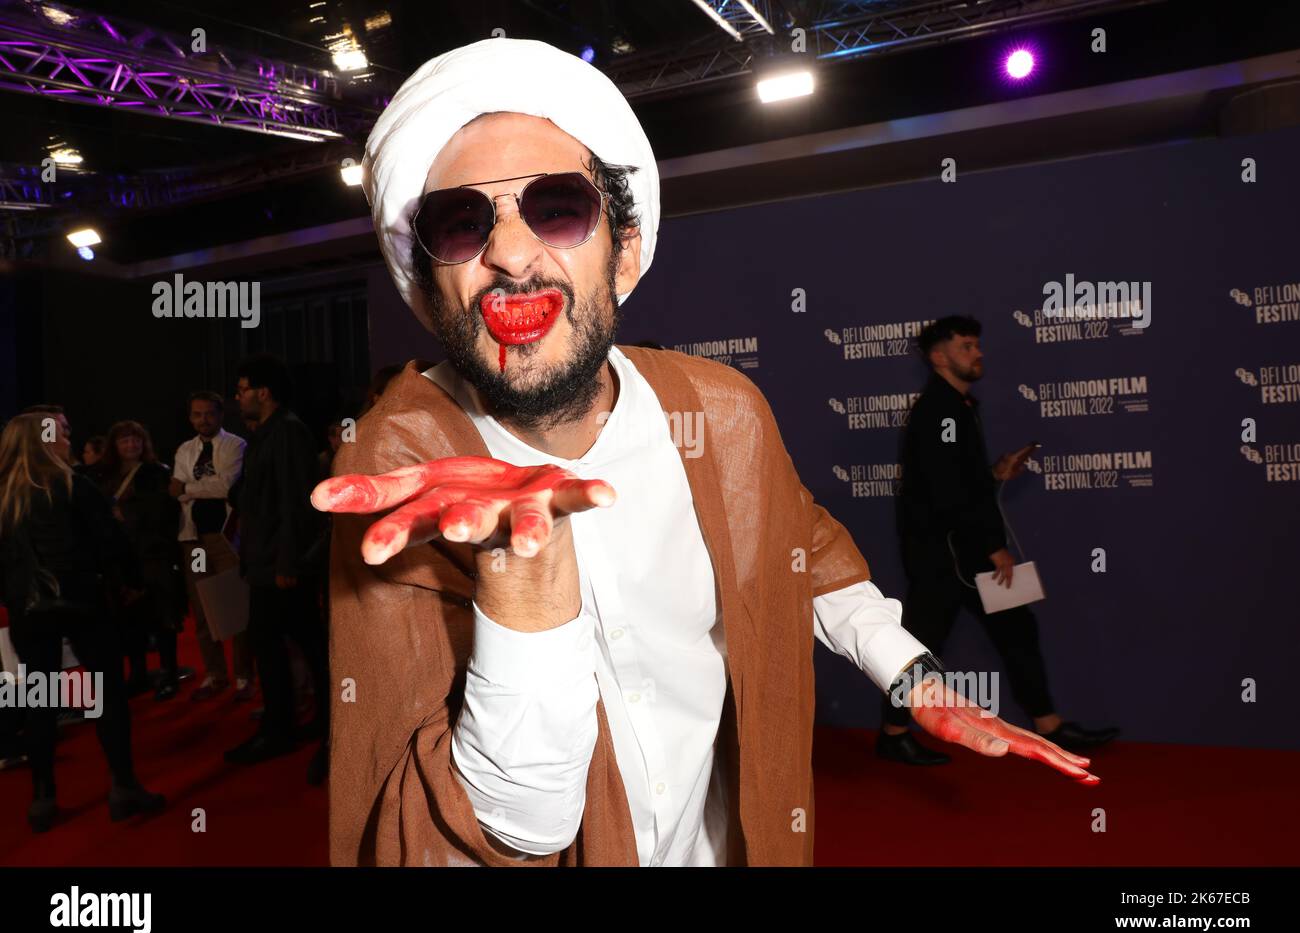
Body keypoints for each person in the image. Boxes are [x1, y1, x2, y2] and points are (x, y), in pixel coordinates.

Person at [314, 38, 1099, 868]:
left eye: (555, 208)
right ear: (432, 293)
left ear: (622, 253)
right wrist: (527, 597)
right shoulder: (396, 465)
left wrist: (910, 674)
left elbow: (802, 549)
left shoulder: (716, 412)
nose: (510, 253)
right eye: (462, 222)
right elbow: (501, 834)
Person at [878, 315, 1120, 765]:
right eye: (965, 346)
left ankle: (1049, 725)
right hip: (949, 557)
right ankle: (893, 734)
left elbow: (960, 484)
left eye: (976, 345)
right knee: (922, 644)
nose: (977, 352)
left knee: (1012, 631)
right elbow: (947, 493)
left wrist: (994, 473)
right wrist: (992, 545)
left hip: (960, 550)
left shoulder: (959, 406)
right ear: (939, 357)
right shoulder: (939, 410)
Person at [0, 411, 165, 832]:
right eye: (63, 431)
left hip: (28, 612)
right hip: (83, 604)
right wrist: (131, 583)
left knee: (39, 701)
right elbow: (112, 543)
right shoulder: (75, 486)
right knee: (107, 694)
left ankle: (42, 798)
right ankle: (124, 788)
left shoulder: (4, 494)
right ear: (46, 440)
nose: (70, 438)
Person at [224, 355, 329, 784]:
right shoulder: (271, 433)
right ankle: (306, 724)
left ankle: (283, 729)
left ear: (263, 393)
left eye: (242, 388)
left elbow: (294, 504)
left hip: (279, 566)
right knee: (301, 644)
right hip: (269, 561)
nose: (238, 396)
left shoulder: (285, 433)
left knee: (279, 646)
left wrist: (286, 563)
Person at [93, 420, 186, 700]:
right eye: (124, 440)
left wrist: (128, 517)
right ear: (114, 445)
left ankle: (169, 674)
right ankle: (138, 674)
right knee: (128, 619)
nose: (131, 444)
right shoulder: (103, 476)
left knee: (162, 617)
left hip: (153, 555)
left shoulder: (157, 473)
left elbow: (166, 514)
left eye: (136, 439)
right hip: (120, 558)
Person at [171, 391, 252, 702]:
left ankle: (244, 676)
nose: (202, 420)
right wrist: (191, 491)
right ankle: (215, 674)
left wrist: (189, 489)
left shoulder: (235, 444)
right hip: (193, 541)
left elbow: (226, 487)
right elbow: (174, 492)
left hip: (224, 539)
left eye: (208, 414)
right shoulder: (184, 449)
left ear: (220, 415)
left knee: (236, 608)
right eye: (197, 414)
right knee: (203, 609)